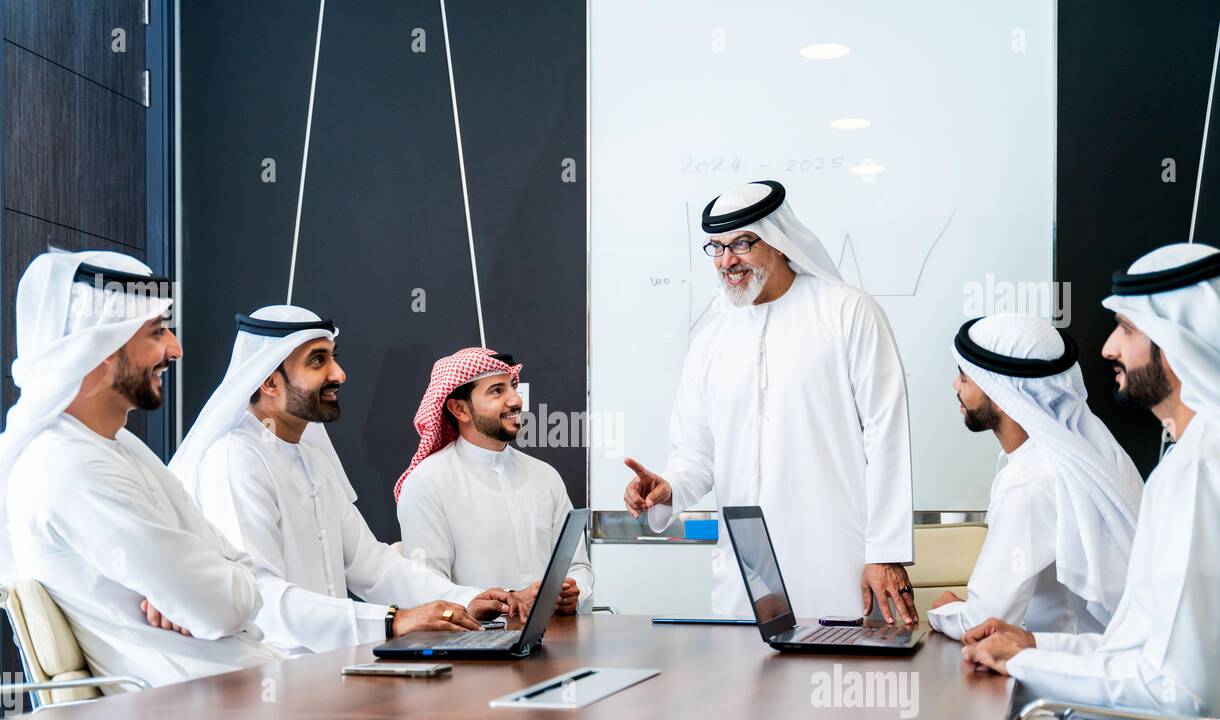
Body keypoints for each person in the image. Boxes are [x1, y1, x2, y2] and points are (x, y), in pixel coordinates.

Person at [963, 243, 1220, 720]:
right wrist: (1035, 649)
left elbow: (1173, 692)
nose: (1107, 348)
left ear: (1177, 343)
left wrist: (1028, 661)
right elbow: (1134, 650)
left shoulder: (1201, 469)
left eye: (1125, 328)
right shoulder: (1187, 458)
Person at [0, 251, 279, 689]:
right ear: (98, 349)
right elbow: (224, 606)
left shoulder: (117, 446)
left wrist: (203, 590)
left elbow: (239, 579)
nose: (175, 348)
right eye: (156, 332)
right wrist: (208, 591)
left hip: (234, 684)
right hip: (189, 715)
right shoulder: (66, 466)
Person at [623, 180, 916, 624]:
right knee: (743, 688)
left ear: (779, 243)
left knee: (842, 688)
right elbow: (697, 453)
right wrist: (669, 488)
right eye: (716, 249)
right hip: (746, 576)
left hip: (840, 561)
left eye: (741, 243)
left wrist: (886, 551)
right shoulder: (710, 342)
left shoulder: (847, 312)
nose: (727, 261)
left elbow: (886, 436)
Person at [172, 307, 519, 653]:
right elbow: (260, 598)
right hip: (268, 674)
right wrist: (392, 621)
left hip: (327, 668)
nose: (339, 374)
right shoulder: (235, 458)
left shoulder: (313, 460)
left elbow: (374, 567)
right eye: (317, 361)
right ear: (269, 381)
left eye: (333, 358)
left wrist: (467, 599)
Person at [928, 313, 1142, 640]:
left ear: (1000, 392)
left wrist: (945, 610)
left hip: (1063, 675)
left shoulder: (1030, 480)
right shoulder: (1092, 453)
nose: (955, 386)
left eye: (964, 377)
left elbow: (984, 623)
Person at [395, 347, 593, 615]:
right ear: (459, 409)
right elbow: (425, 587)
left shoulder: (545, 476)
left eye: (512, 386)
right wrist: (509, 601)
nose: (515, 400)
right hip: (472, 648)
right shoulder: (427, 482)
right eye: (497, 391)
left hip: (556, 644)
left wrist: (573, 592)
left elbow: (578, 567)